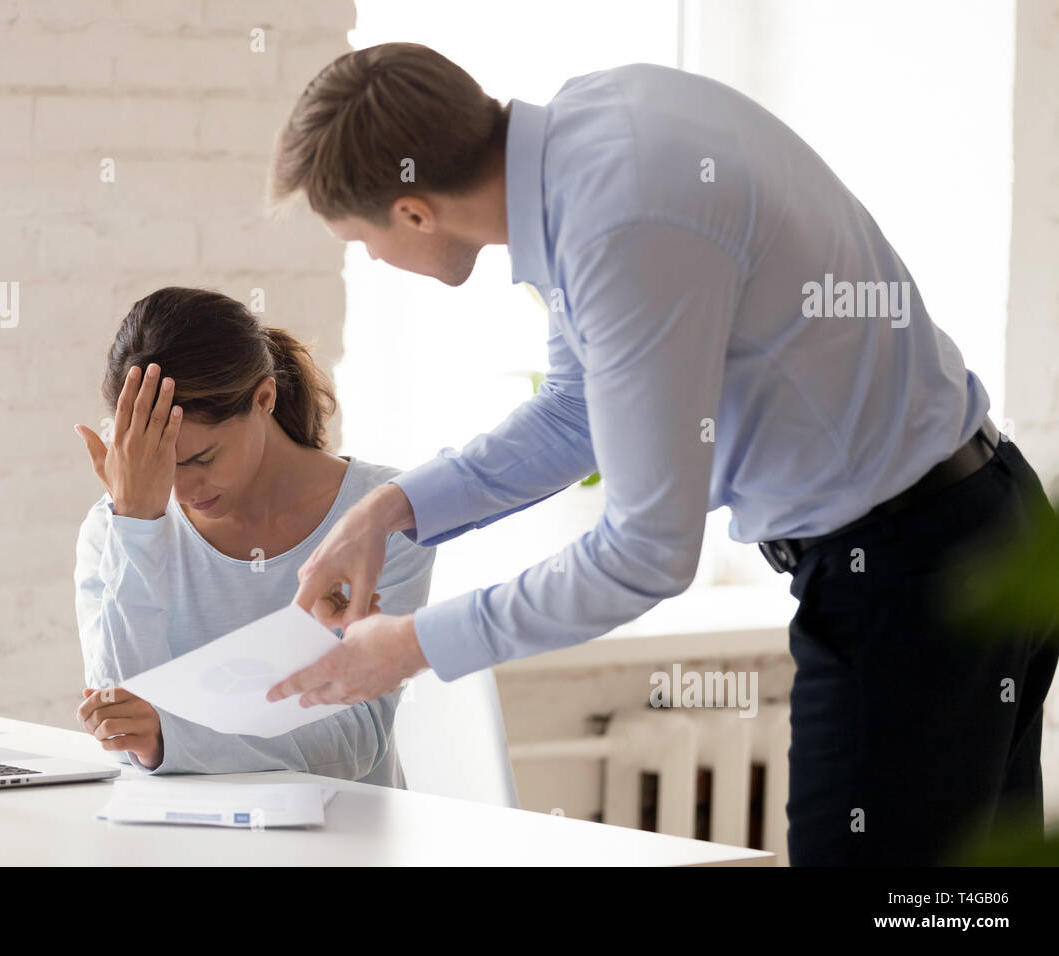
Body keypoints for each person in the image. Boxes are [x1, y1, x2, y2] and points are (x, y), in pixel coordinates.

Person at [263, 42, 1059, 864]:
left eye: (360, 240)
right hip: (969, 522)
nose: (373, 261)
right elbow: (578, 412)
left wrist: (413, 647)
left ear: (414, 211)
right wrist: (389, 510)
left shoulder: (620, 226)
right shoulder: (595, 137)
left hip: (911, 576)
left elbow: (645, 553)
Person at [71, 287, 435, 787]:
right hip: (174, 838)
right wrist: (135, 524)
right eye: (156, 466)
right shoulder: (119, 528)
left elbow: (357, 738)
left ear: (264, 398)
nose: (180, 490)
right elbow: (122, 728)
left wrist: (173, 741)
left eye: (201, 460)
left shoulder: (383, 514)